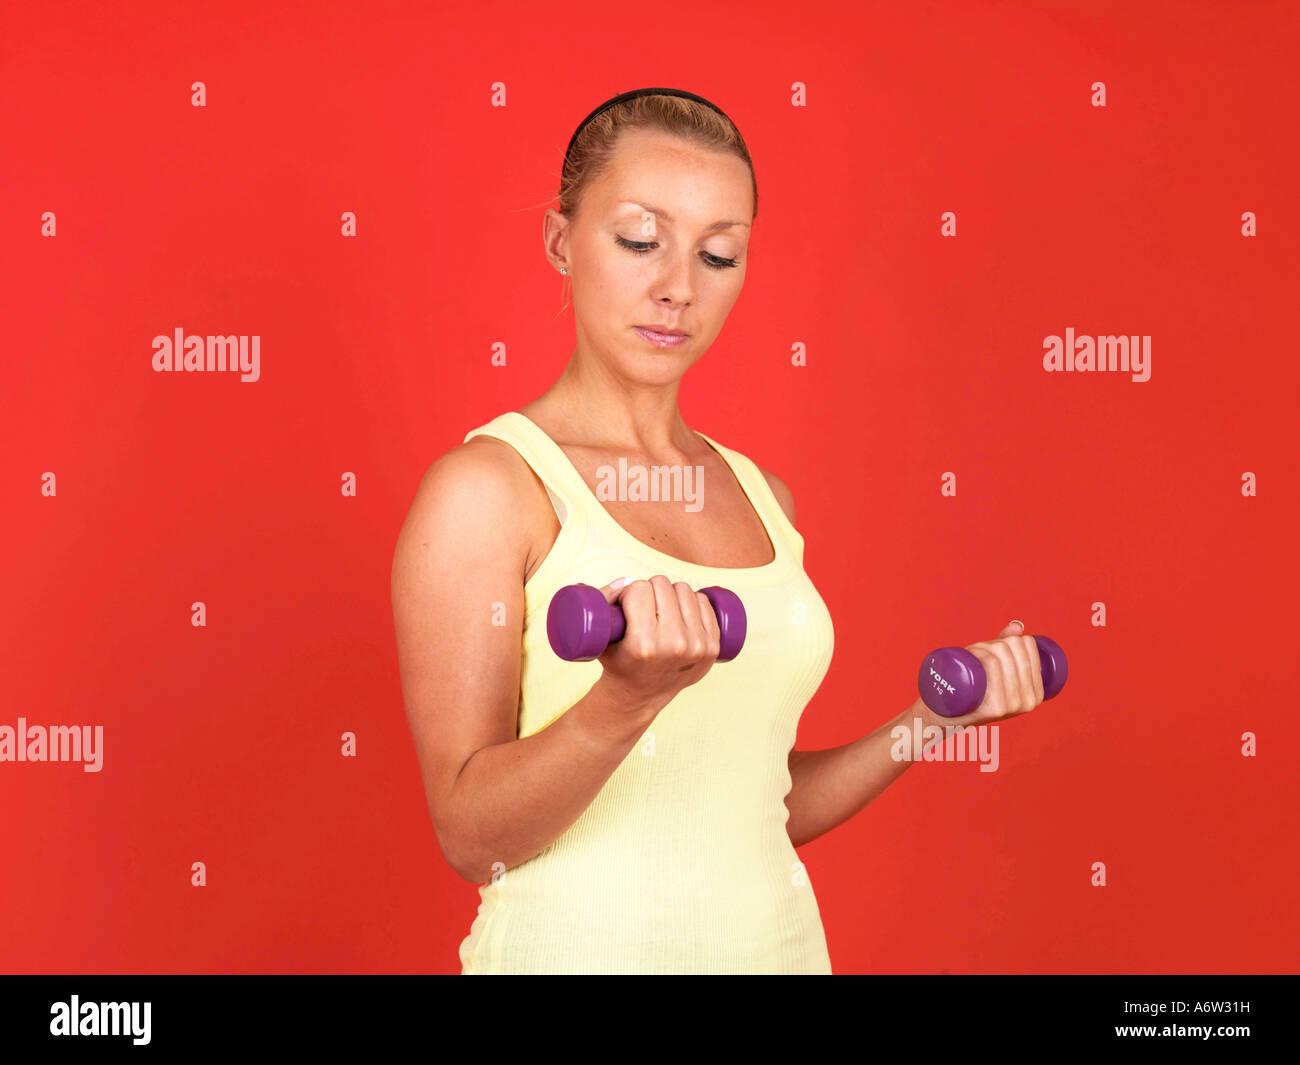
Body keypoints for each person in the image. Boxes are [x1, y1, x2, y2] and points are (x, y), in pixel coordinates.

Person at [391, 88, 1046, 974]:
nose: (678, 287)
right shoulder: (488, 491)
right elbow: (472, 838)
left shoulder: (762, 496)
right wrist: (623, 703)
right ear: (560, 241)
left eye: (718, 254)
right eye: (639, 239)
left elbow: (752, 802)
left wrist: (929, 720)